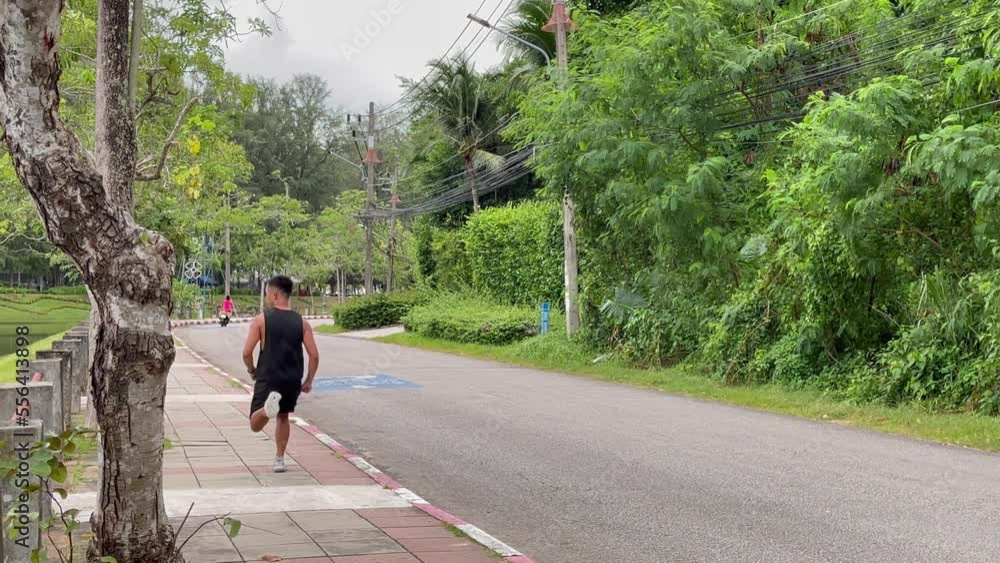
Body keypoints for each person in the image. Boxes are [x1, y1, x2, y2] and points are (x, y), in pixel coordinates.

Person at [242, 276, 320, 472]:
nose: (267, 297)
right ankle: (279, 459)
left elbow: (246, 352)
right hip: (291, 379)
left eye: (267, 294)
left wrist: (252, 370)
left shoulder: (261, 320)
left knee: (255, 425)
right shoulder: (302, 323)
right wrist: (308, 380)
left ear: (274, 295)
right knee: (283, 417)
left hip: (268, 377)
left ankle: (265, 410)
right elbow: (314, 356)